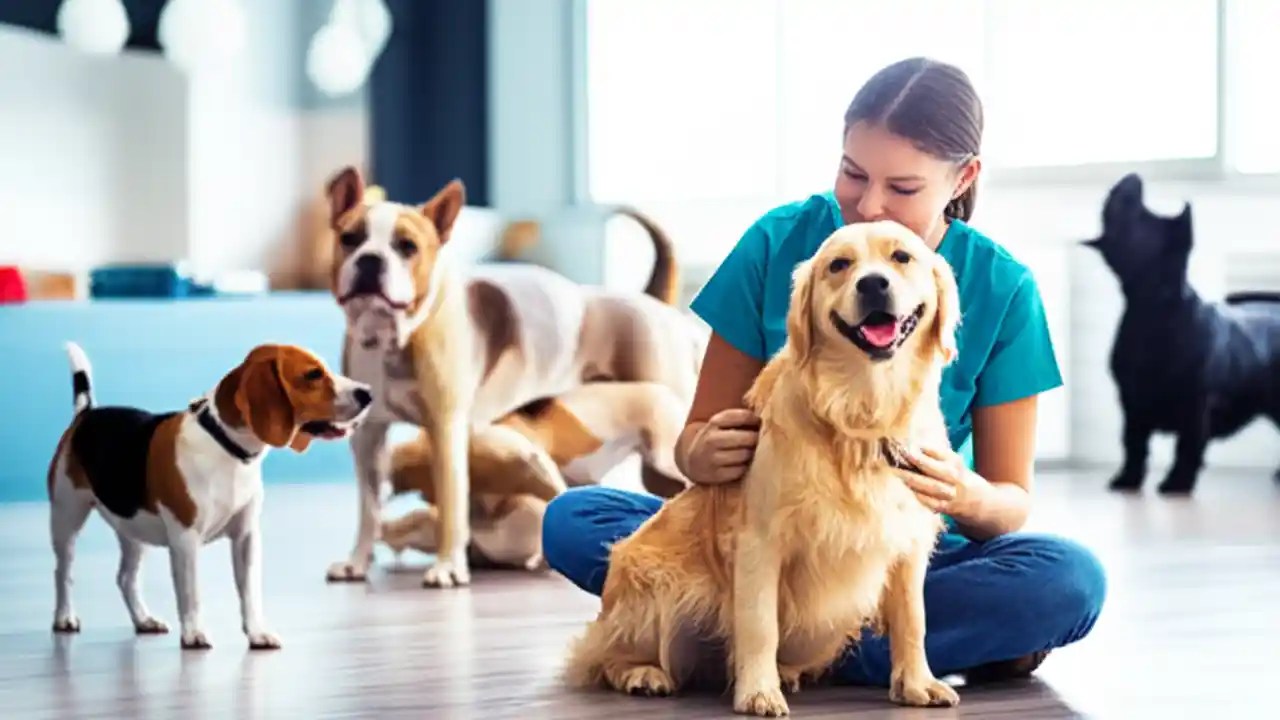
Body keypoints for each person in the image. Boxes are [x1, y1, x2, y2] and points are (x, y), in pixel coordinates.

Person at [541, 56, 1106, 688]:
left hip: (898, 551)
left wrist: (969, 497)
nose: (868, 206)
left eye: (904, 188)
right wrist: (700, 453)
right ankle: (827, 644)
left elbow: (1011, 501)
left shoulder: (1004, 287)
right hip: (757, 535)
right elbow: (693, 440)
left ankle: (796, 646)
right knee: (574, 517)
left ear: (962, 179)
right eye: (853, 172)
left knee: (1070, 578)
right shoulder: (778, 241)